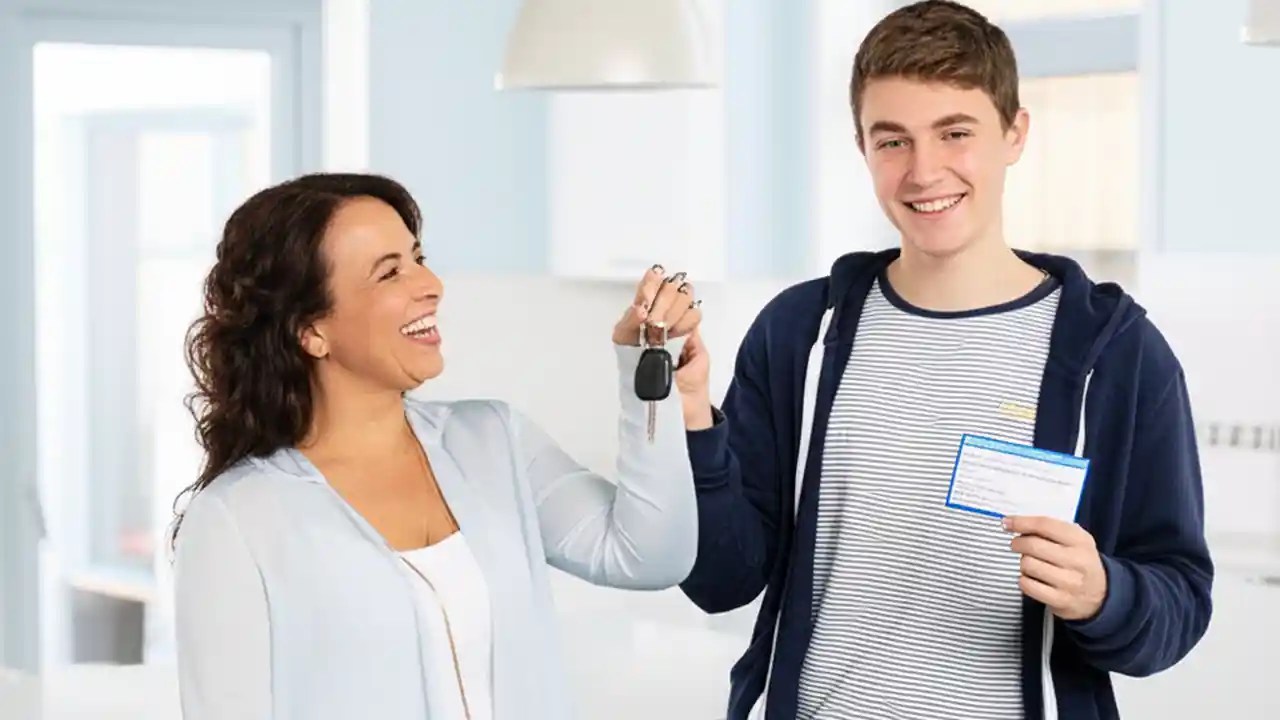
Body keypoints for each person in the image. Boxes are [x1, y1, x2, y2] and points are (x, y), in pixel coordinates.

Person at [677, 2, 1213, 719]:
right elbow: (720, 579)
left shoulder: (1115, 356)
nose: (924, 172)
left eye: (955, 133)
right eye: (892, 141)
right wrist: (688, 418)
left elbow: (1178, 601)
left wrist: (1105, 594)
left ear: (1014, 133)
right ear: (862, 147)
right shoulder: (801, 334)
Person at [170, 171, 709, 720]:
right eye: (389, 273)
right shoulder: (236, 520)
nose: (430, 284)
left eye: (418, 257)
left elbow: (651, 556)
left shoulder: (492, 441)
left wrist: (648, 372)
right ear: (311, 331)